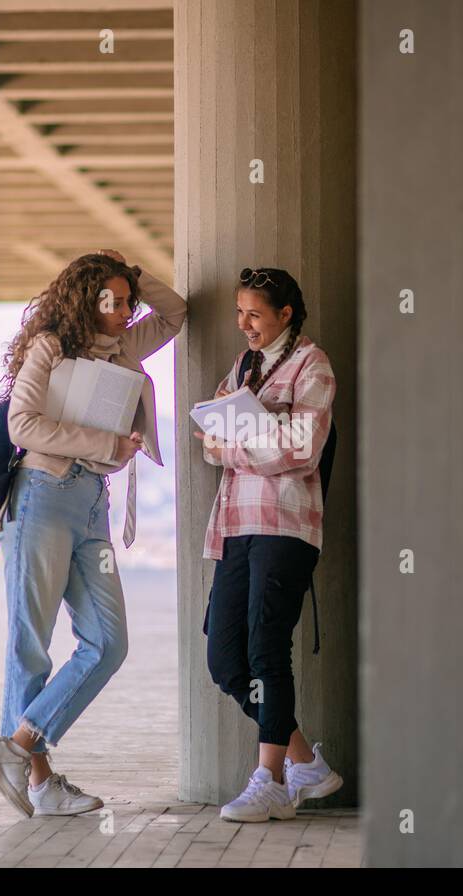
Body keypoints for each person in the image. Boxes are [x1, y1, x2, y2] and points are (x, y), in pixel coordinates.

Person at [0, 249, 186, 817]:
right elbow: (22, 423)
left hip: (93, 506)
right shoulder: (49, 348)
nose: (122, 310)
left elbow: (176, 315)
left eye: (126, 301)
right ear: (83, 299)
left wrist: (135, 274)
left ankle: (18, 745)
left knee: (108, 642)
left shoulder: (125, 344)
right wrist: (106, 445)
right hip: (42, 496)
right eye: (109, 300)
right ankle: (40, 785)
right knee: (31, 643)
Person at [193, 266, 343, 822]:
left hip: (286, 525)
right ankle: (306, 762)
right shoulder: (242, 368)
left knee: (265, 651)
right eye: (239, 312)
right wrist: (238, 440)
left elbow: (300, 448)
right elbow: (210, 441)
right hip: (235, 523)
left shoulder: (313, 365)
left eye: (254, 313)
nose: (244, 324)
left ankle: (271, 780)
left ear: (285, 314)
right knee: (225, 658)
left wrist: (234, 444)